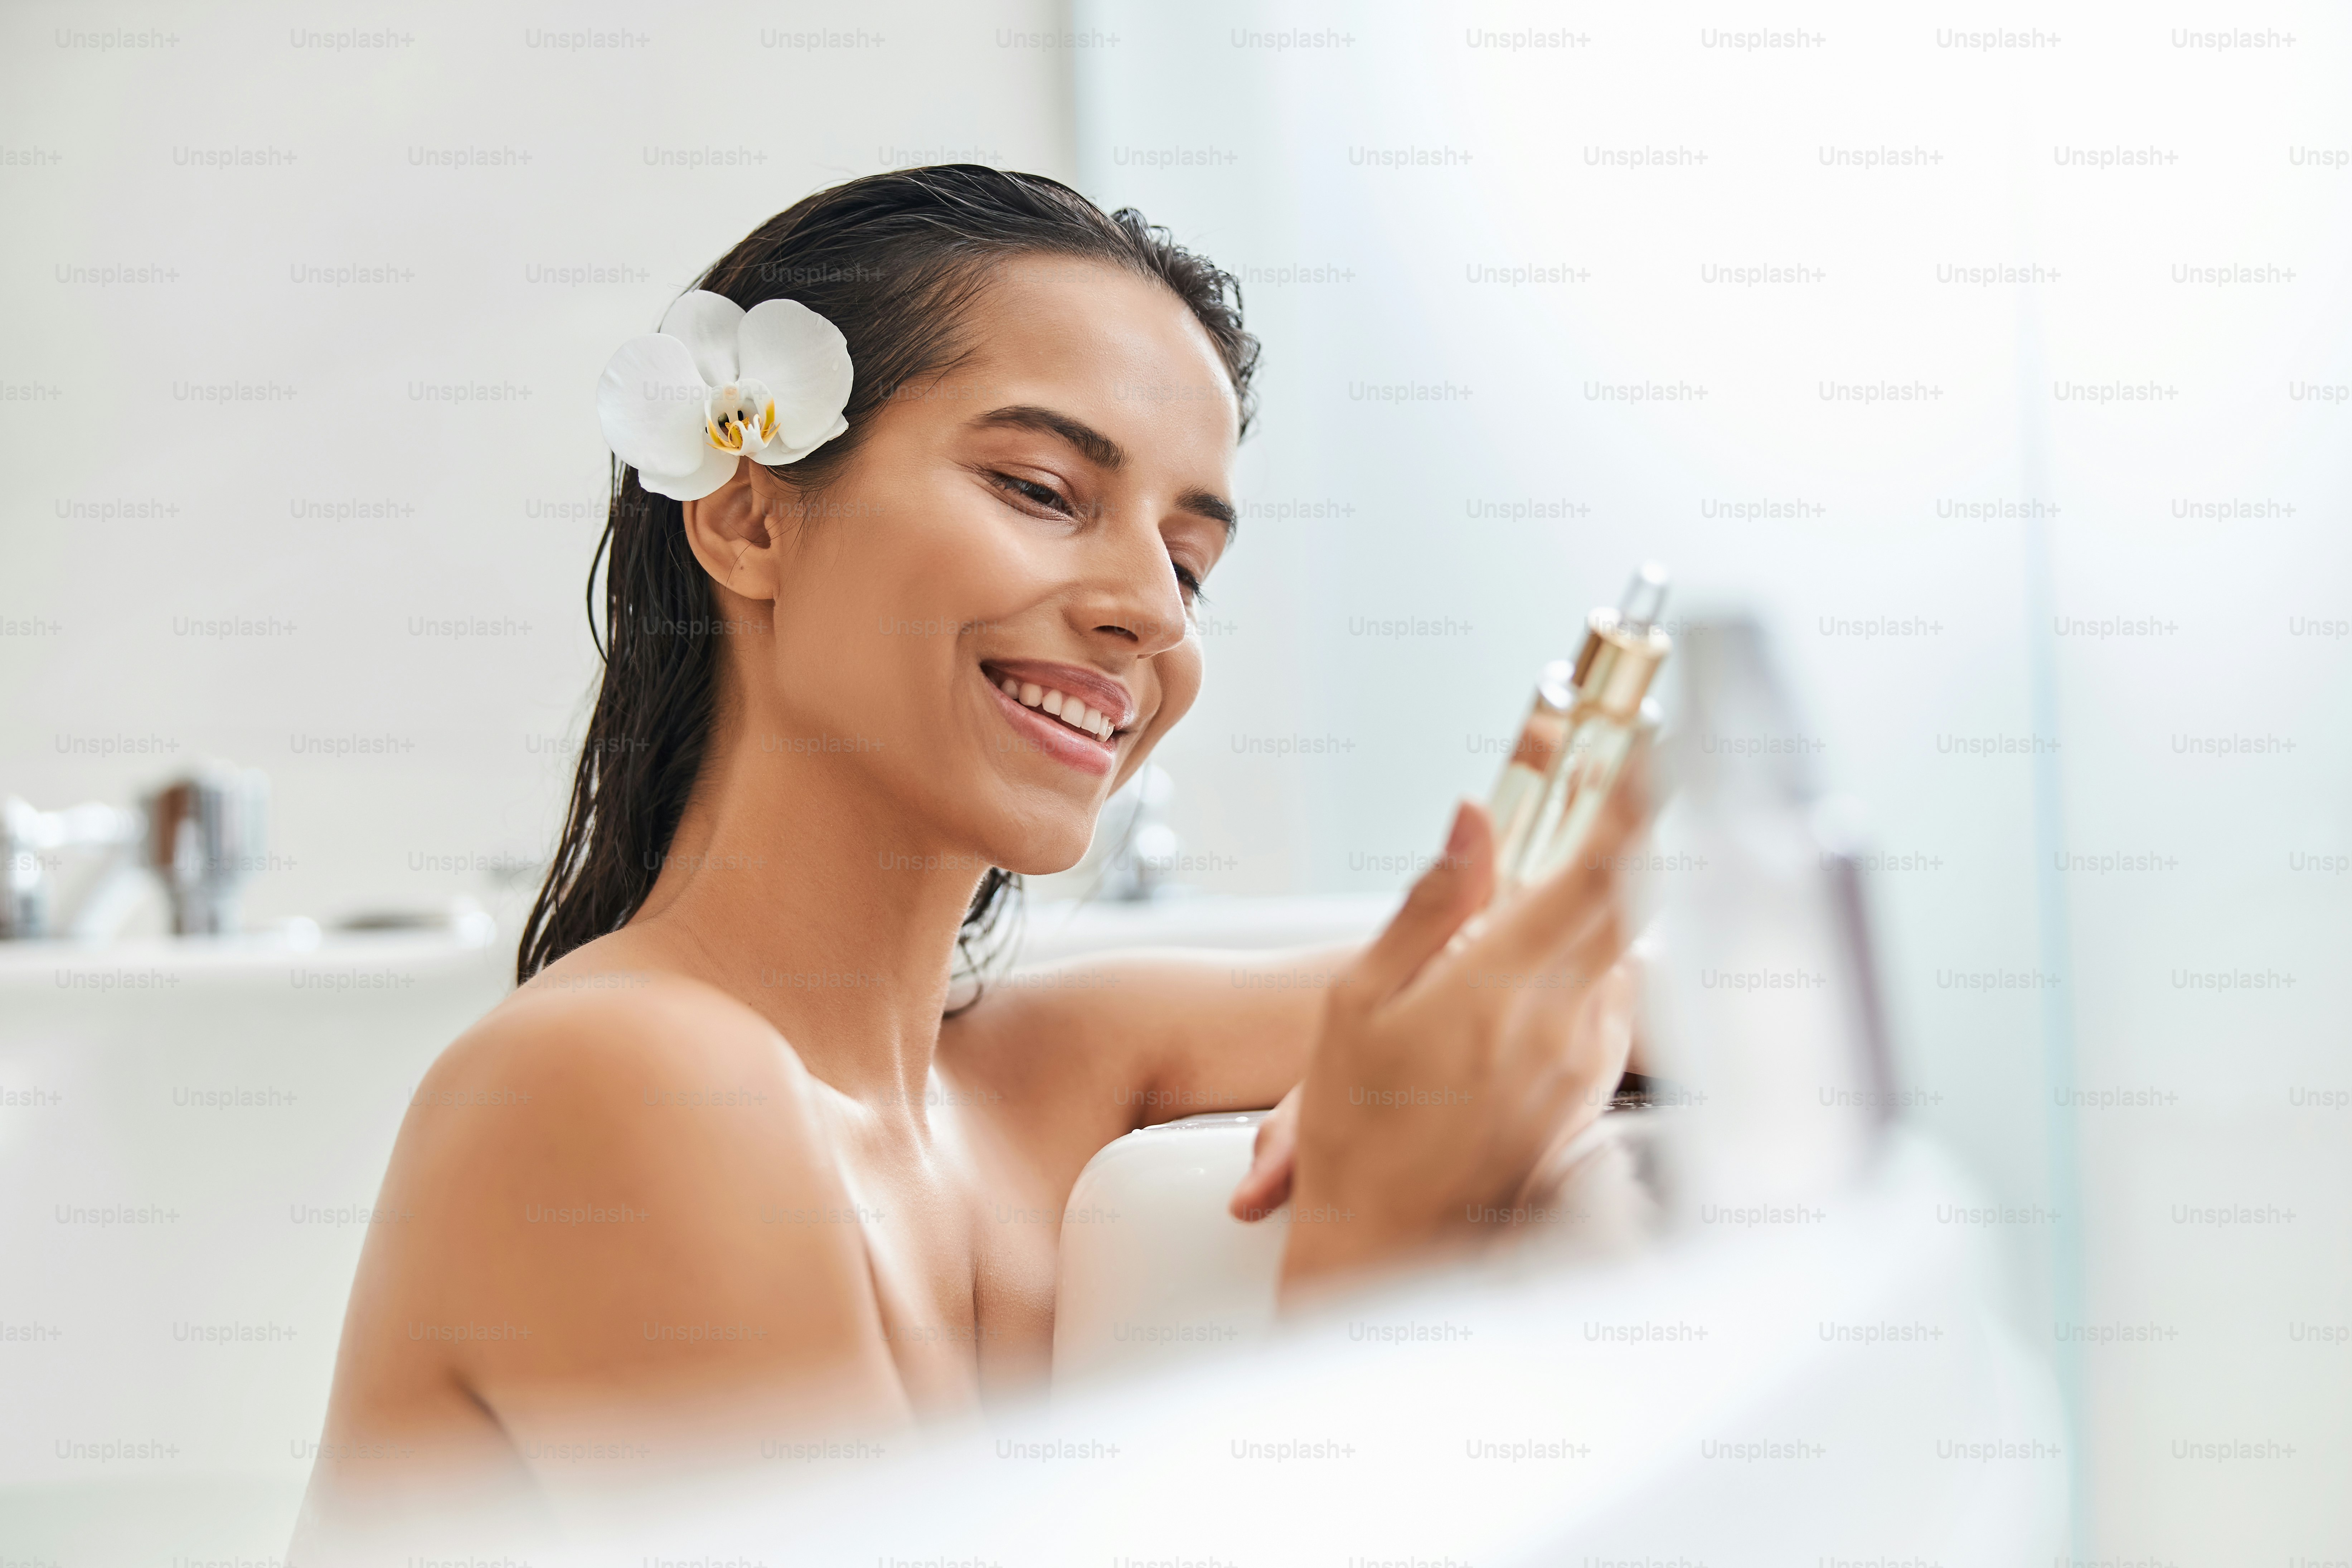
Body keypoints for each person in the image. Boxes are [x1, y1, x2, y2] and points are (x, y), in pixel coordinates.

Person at [297, 165, 1640, 1530]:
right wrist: (1374, 1263)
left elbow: (1659, 982)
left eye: (1188, 564)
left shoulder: (1058, 1074)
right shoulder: (617, 1083)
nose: (1149, 616)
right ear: (749, 515)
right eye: (1042, 490)